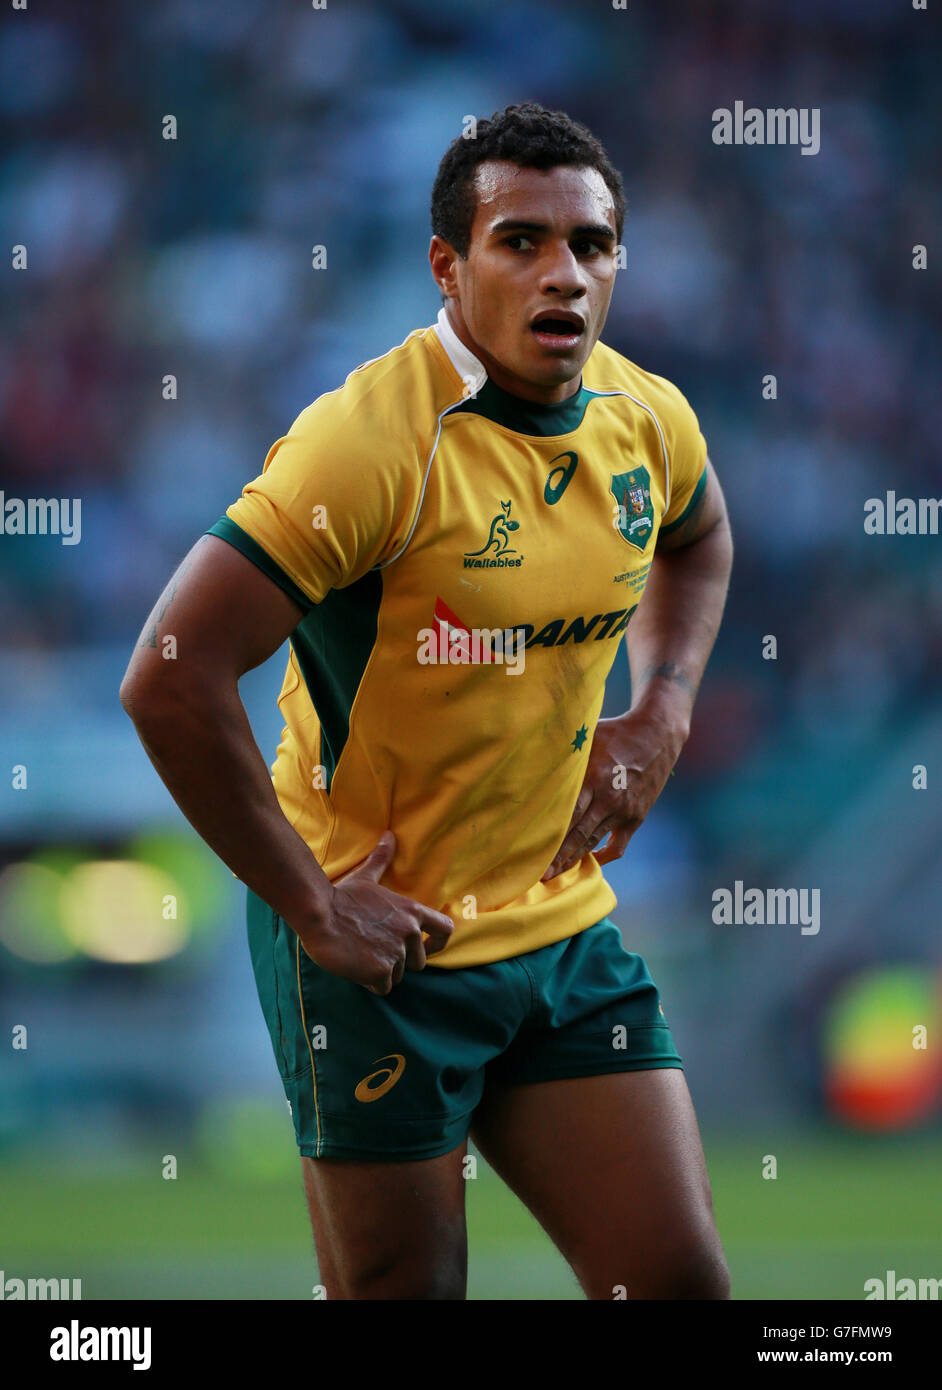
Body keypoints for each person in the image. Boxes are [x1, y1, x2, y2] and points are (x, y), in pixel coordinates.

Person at [120, 102, 734, 1301]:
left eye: (592, 244)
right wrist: (309, 904)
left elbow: (701, 543)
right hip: (379, 952)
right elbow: (168, 673)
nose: (564, 272)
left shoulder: (645, 419)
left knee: (679, 1283)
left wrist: (661, 709)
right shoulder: (369, 443)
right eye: (521, 240)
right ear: (449, 266)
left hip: (559, 929)